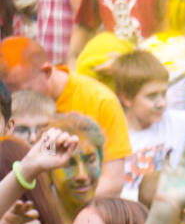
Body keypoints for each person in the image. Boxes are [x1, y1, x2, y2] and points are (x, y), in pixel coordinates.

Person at [0, 36, 130, 197]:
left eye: (21, 90)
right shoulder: (6, 104)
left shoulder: (99, 100)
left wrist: (63, 208)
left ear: (46, 71)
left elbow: (113, 181)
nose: (13, 98)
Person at [110, 48, 185, 200]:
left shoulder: (174, 122)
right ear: (126, 99)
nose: (161, 103)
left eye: (163, 94)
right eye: (152, 96)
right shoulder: (113, 134)